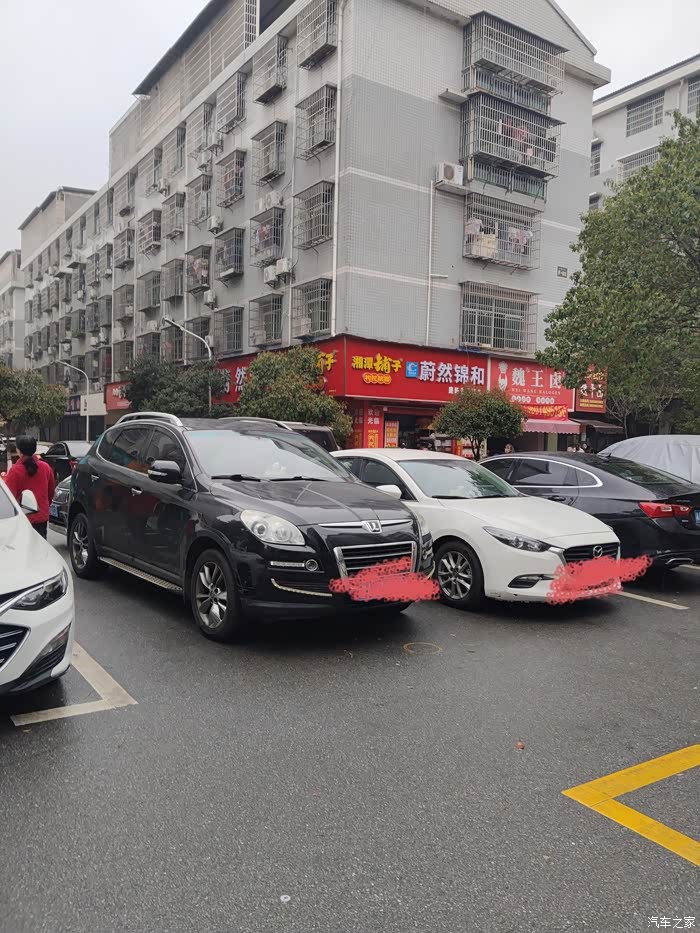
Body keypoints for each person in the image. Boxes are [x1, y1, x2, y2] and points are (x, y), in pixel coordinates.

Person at [3, 435, 56, 539]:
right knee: (40, 547)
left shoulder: (15, 471)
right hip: (41, 518)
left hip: (21, 520)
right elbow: (50, 492)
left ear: (19, 450)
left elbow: (9, 498)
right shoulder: (45, 467)